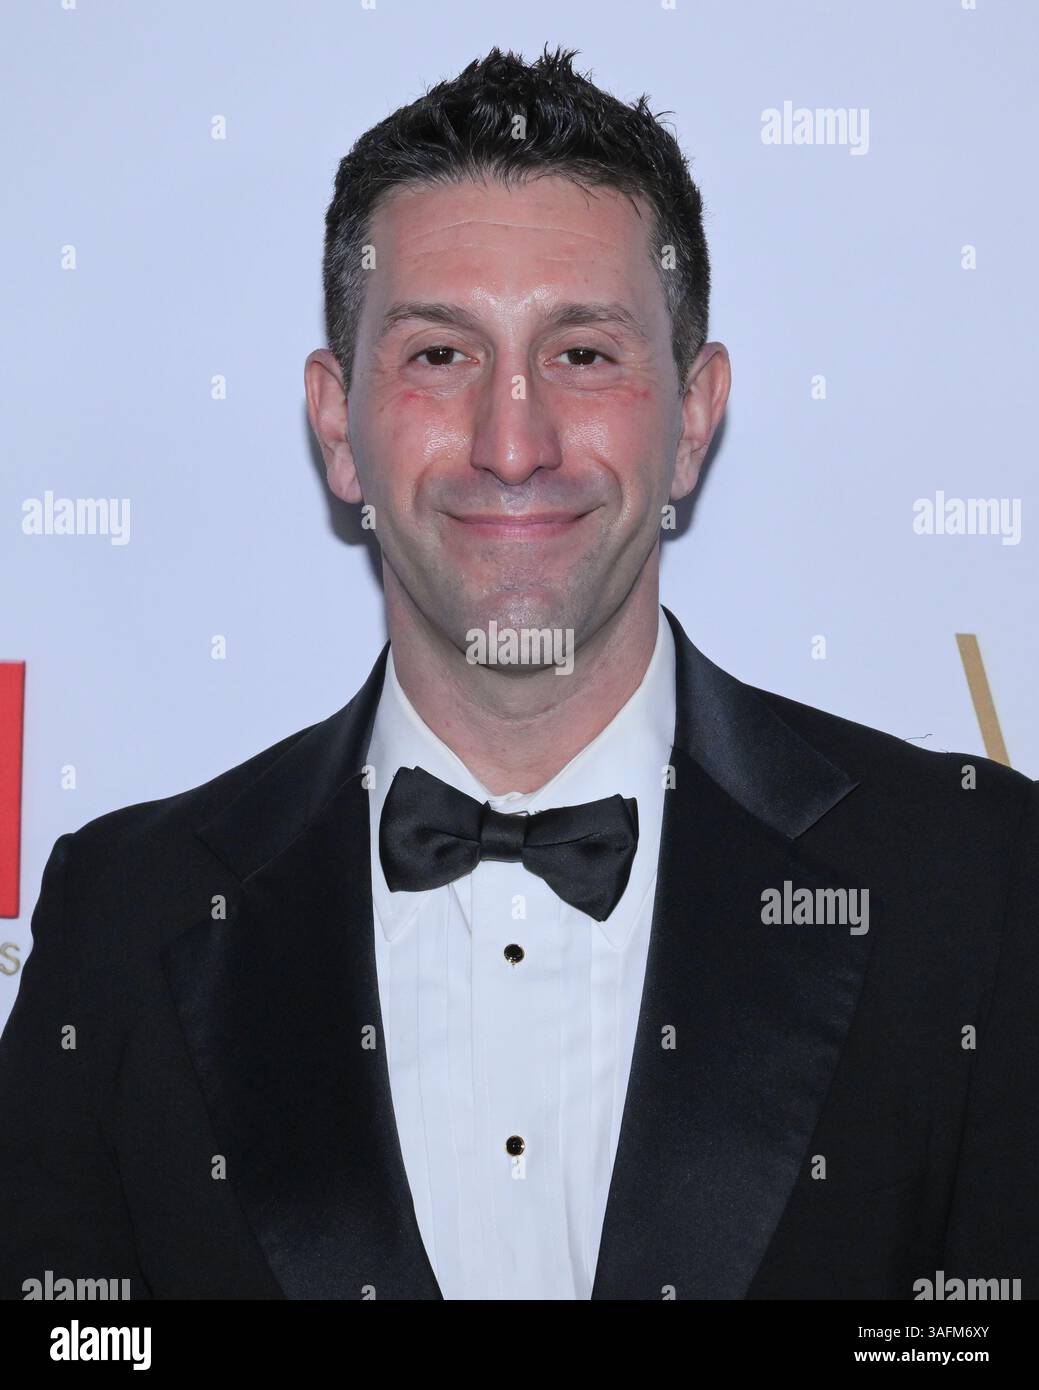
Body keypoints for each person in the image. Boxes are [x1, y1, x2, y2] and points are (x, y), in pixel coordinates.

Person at [2, 46, 1036, 1302]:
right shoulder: (129, 913)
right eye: (440, 355)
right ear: (337, 425)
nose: (512, 442)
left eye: (583, 354)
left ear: (693, 417)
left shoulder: (969, 885)